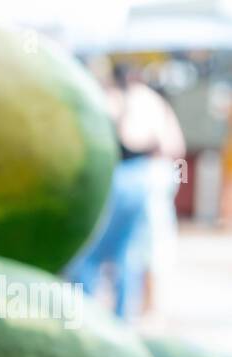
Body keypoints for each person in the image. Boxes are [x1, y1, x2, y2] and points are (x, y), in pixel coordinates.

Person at [71, 64, 185, 321]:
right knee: (128, 253)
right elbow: (174, 144)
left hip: (118, 177)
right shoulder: (154, 101)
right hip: (146, 178)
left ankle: (87, 317)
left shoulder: (107, 98)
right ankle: (122, 321)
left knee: (89, 253)